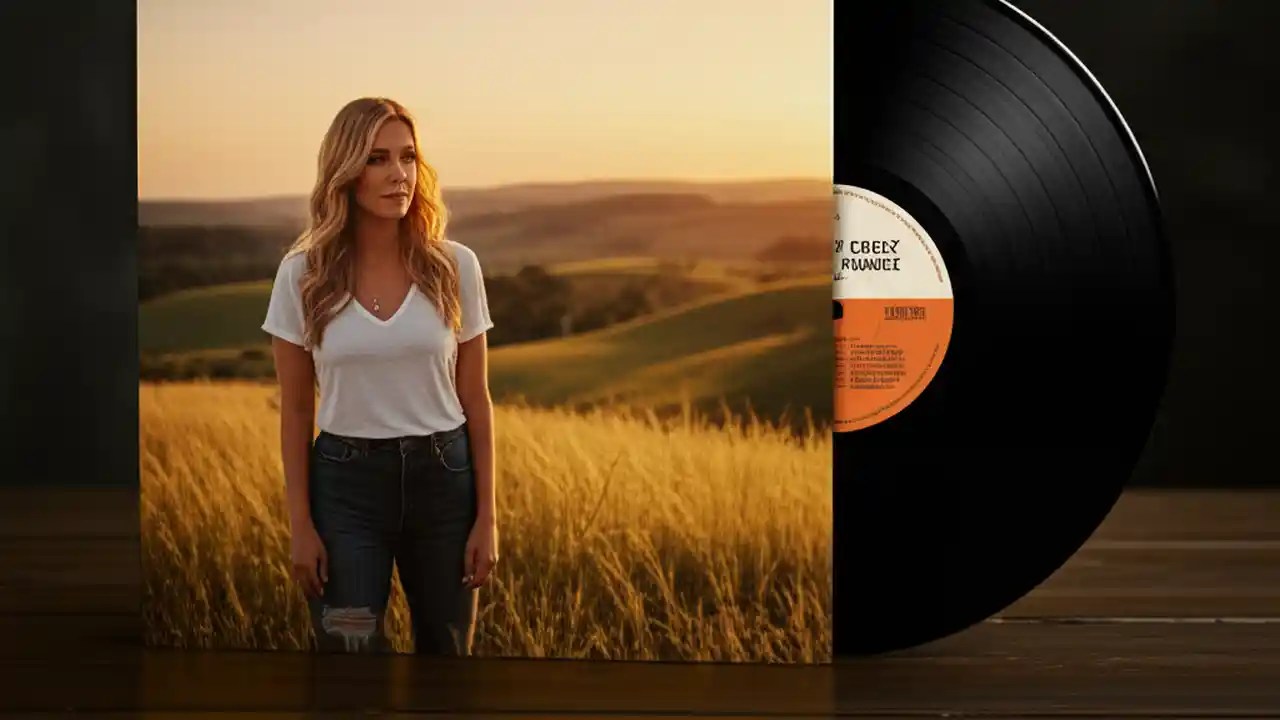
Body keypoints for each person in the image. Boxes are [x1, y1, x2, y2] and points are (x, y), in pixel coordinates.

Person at [260, 97, 498, 655]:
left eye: (408, 157)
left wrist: (488, 518)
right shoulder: (303, 276)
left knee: (446, 656)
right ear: (345, 173)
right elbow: (296, 412)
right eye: (377, 159)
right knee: (350, 653)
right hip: (345, 493)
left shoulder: (455, 266)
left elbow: (477, 400)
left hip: (445, 483)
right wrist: (301, 526)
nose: (399, 175)